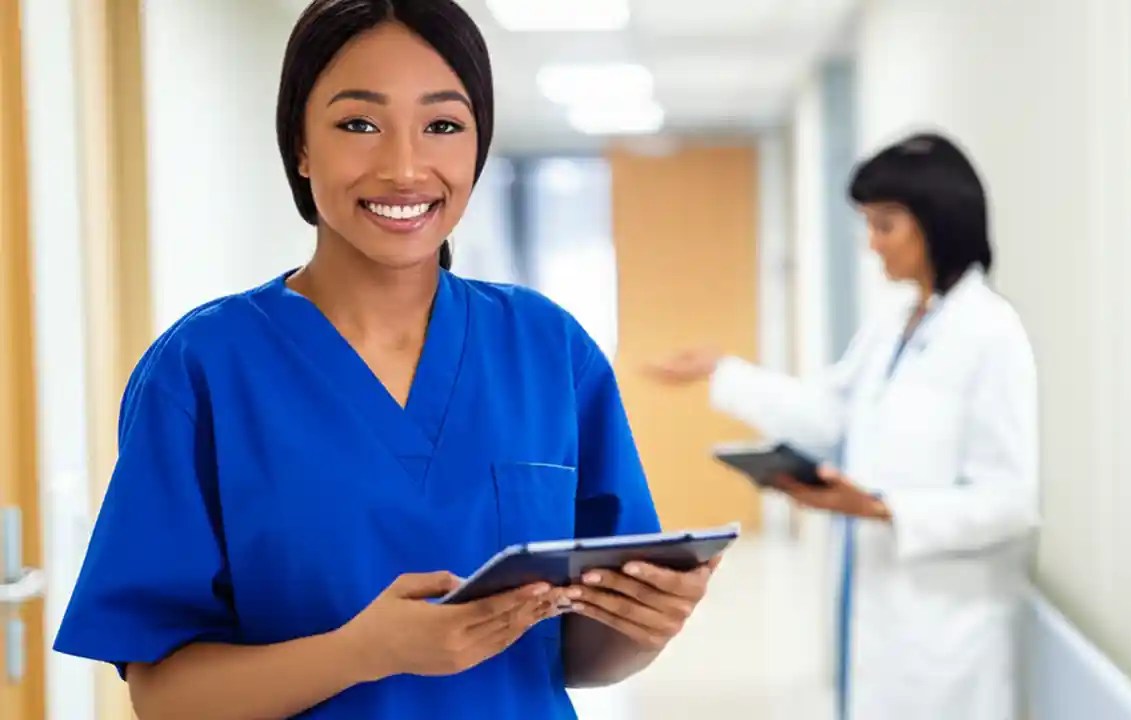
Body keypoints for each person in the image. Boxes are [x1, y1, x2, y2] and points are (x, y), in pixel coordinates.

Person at [53, 2, 719, 718]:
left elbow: (576, 658)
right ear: (300, 146)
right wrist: (365, 652)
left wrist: (647, 625)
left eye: (443, 126)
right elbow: (164, 698)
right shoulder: (204, 369)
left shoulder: (547, 348)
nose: (404, 168)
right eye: (359, 124)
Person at [648, 133, 1039, 720]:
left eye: (885, 225)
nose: (872, 243)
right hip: (881, 616)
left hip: (947, 632)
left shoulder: (991, 333)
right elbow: (830, 415)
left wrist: (881, 508)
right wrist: (722, 372)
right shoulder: (895, 324)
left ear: (937, 223)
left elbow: (1010, 503)